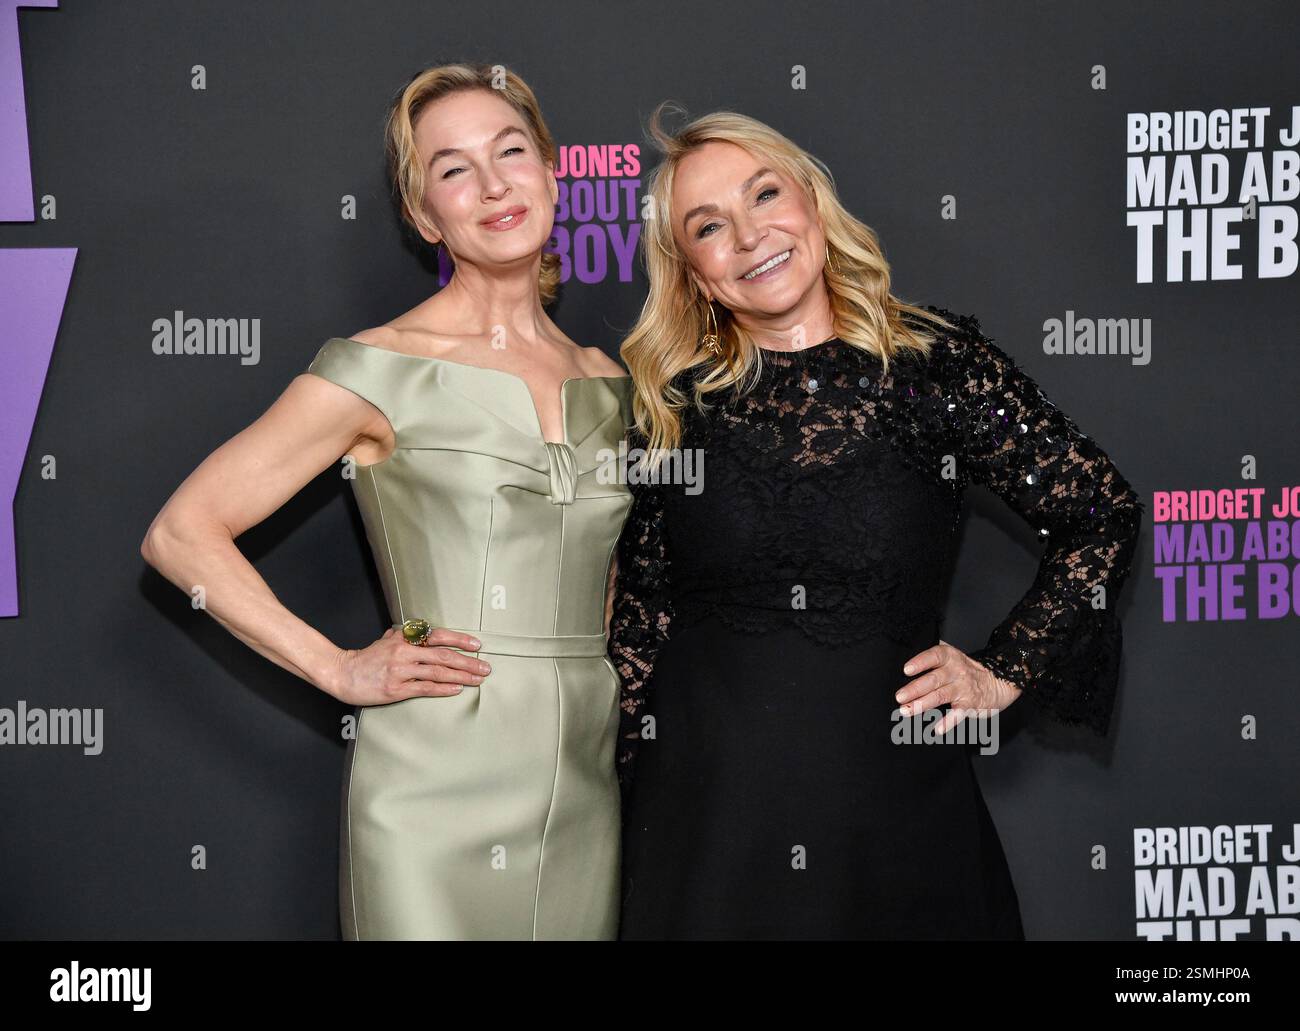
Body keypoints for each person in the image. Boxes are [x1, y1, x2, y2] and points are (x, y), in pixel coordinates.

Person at [606, 105, 1144, 939]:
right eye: (710, 226)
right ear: (694, 274)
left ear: (813, 205)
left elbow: (1100, 511)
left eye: (765, 194)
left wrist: (1003, 670)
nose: (750, 235)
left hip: (892, 809)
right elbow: (640, 621)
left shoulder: (937, 370)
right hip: (708, 827)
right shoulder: (671, 410)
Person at [141, 64, 632, 940]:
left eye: (510, 152)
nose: (492, 186)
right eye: (453, 169)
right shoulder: (377, 366)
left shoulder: (611, 382)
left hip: (583, 783)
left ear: (554, 170)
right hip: (432, 779)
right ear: (422, 215)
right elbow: (182, 532)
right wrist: (337, 667)